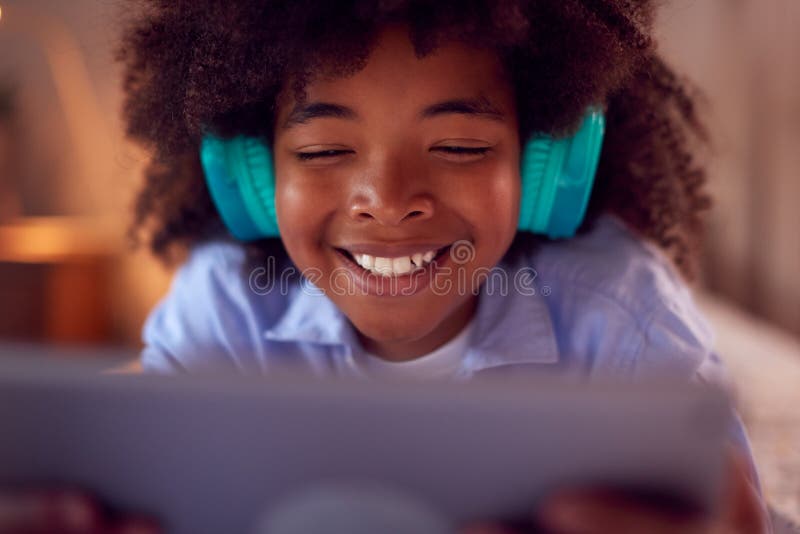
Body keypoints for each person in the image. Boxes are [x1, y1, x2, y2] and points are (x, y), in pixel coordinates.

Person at [0, 1, 770, 532]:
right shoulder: (223, 309)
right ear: (255, 178)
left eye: (460, 147)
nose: (390, 201)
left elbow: (729, 513)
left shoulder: (628, 325)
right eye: (324, 150)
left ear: (545, 169)